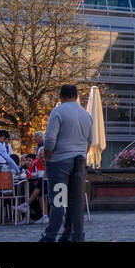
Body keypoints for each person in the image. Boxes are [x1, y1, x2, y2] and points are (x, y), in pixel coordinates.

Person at [40, 84, 94, 241]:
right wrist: (81, 153)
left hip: (60, 162)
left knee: (58, 200)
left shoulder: (58, 111)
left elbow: (50, 138)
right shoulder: (86, 114)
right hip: (78, 162)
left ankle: (50, 235)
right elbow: (89, 141)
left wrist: (48, 155)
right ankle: (68, 233)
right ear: (76, 96)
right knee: (72, 200)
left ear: (60, 96)